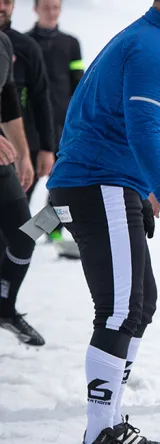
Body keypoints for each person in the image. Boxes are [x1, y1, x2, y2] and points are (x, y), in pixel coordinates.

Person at [45, 1, 160, 443]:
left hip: (105, 184)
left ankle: (110, 423)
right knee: (120, 310)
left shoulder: (147, 41)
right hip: (99, 185)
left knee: (141, 306)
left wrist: (142, 191)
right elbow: (142, 132)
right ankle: (101, 432)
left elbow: (104, 119)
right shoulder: (151, 50)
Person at [26, 0, 84, 245]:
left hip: (63, 130)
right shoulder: (23, 43)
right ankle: (13, 237)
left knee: (62, 189)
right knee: (22, 187)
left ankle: (43, 231)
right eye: (47, 7)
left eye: (56, 7)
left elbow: (79, 87)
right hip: (29, 130)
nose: (52, 12)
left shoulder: (71, 43)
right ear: (36, 8)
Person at [0, 30, 41, 346]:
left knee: (25, 235)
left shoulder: (5, 44)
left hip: (3, 159)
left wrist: (24, 155)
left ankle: (4, 308)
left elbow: (9, 100)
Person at [0, 0, 56, 199]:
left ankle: (52, 230)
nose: (2, 7)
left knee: (23, 217)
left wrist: (47, 148)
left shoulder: (27, 46)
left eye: (7, 2)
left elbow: (41, 98)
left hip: (24, 146)